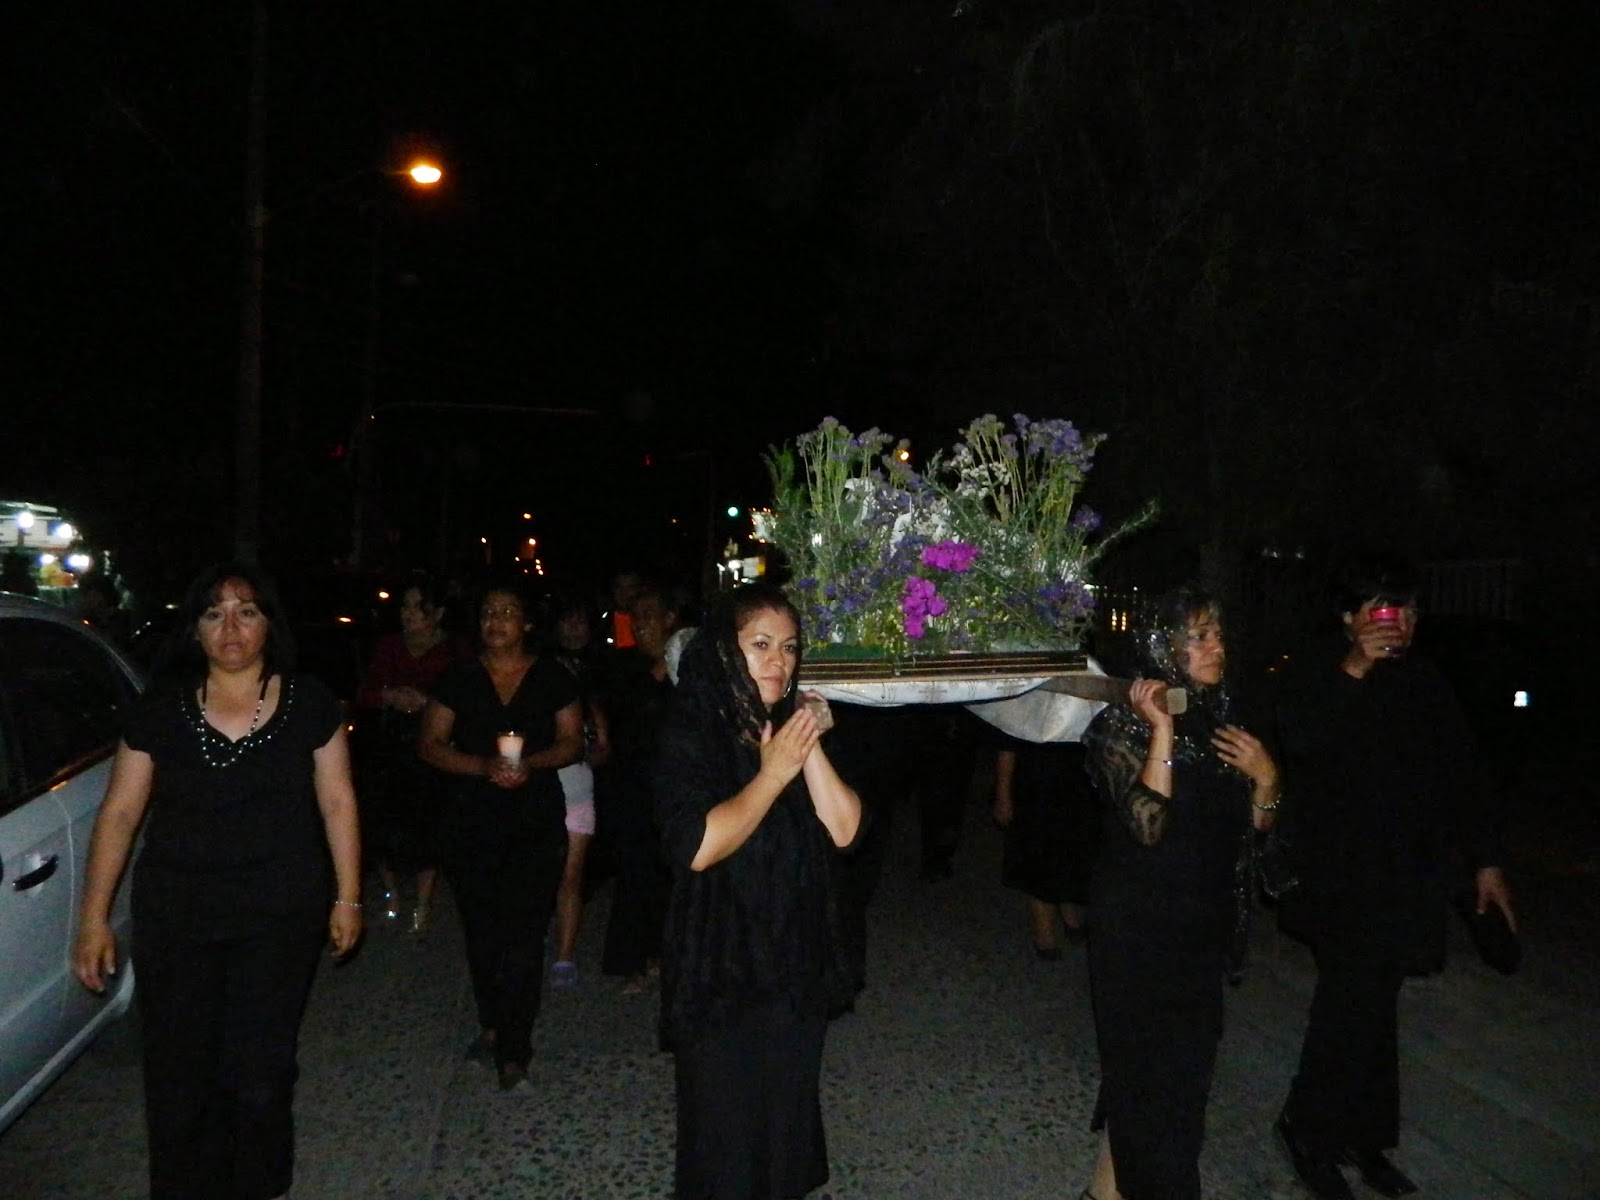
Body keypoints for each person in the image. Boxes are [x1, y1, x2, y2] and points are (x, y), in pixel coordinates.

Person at [71, 562, 362, 1200]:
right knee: (179, 1073)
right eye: (213, 612)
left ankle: (258, 1183)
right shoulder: (160, 708)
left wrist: (347, 896)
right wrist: (93, 919)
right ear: (195, 629)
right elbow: (120, 812)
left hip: (279, 914)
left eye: (246, 611)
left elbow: (338, 802)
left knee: (258, 1072)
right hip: (178, 914)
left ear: (268, 624)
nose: (230, 626)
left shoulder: (310, 702)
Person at [1273, 555, 1515, 1200]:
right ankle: (1309, 1130)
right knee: (1347, 1006)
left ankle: (1365, 1138)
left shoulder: (1427, 681)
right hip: (1338, 877)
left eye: (1407, 610)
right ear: (1350, 618)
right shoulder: (1319, 671)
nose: (1399, 622)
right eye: (1383, 609)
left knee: (1376, 1011)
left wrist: (1487, 860)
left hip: (1408, 878)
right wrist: (1353, 670)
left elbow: (1466, 774)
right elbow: (1296, 744)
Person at [656, 583, 863, 1199]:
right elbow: (696, 846)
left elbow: (846, 829)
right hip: (720, 964)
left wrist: (810, 745)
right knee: (724, 1140)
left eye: (791, 647)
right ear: (725, 651)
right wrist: (773, 776)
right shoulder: (690, 730)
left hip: (794, 959)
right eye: (761, 645)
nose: (779, 660)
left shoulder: (789, 728)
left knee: (783, 1133)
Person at [1079, 586, 1279, 1200]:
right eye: (1199, 636)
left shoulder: (1225, 716)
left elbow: (1253, 831)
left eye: (1217, 632)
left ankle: (1105, 1192)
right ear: (1163, 646)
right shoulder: (1117, 723)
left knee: (1176, 1084)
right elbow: (1148, 824)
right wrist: (1161, 730)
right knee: (1155, 1090)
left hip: (1201, 933)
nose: (1216, 645)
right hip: (1137, 932)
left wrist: (1267, 779)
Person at [418, 579, 582, 1091]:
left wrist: (528, 764)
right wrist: (480, 766)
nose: (497, 621)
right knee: (482, 932)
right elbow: (429, 743)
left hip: (533, 818)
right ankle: (493, 1022)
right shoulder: (460, 676)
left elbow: (572, 742)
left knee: (525, 932)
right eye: (489, 611)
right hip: (472, 819)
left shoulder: (552, 675)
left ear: (526, 623)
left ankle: (516, 1047)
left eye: (508, 612)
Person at [355, 573, 465, 935]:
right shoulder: (389, 646)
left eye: (418, 607)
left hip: (431, 745)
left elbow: (466, 700)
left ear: (437, 613)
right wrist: (390, 694)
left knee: (428, 821)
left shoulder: (453, 651)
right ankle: (390, 892)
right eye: (405, 606)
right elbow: (365, 690)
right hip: (390, 744)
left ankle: (423, 900)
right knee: (381, 817)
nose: (409, 614)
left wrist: (429, 703)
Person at [600, 579, 679, 992]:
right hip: (633, 786)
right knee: (635, 875)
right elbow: (621, 719)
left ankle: (672, 958)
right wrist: (652, 676)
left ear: (669, 619)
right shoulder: (624, 665)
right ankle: (634, 961)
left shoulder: (689, 662)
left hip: (677, 788)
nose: (642, 625)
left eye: (650, 617)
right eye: (637, 618)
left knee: (675, 876)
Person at [547, 591, 613, 987]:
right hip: (537, 790)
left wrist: (582, 753)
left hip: (577, 789)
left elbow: (605, 747)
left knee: (571, 876)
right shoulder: (536, 686)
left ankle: (565, 956)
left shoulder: (596, 683)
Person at [992, 734, 1097, 958]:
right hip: (1036, 779)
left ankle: (1070, 910)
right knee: (1038, 853)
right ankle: (1044, 932)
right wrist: (1003, 792)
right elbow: (1007, 738)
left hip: (1080, 775)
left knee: (1075, 849)